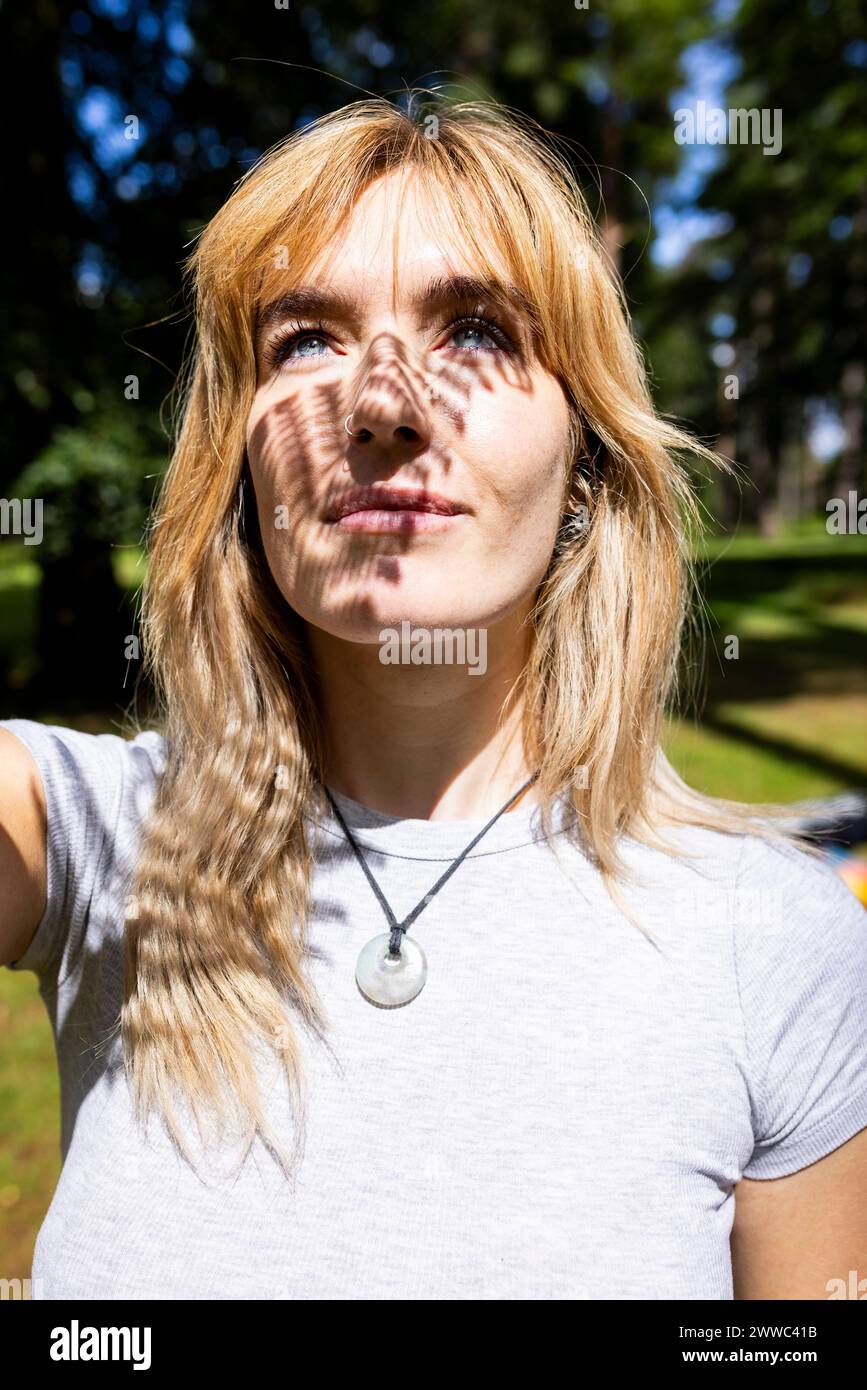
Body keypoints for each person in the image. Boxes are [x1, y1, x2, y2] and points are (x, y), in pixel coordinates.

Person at [2, 94, 866, 1302]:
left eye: (475, 330)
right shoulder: (100, 841)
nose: (384, 404)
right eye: (304, 339)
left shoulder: (776, 939)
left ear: (586, 460)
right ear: (242, 463)